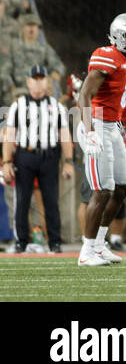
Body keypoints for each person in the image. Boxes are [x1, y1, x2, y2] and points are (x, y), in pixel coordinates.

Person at [76, 13, 126, 267]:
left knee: (121, 188)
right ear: (117, 36)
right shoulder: (106, 56)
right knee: (102, 189)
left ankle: (99, 245)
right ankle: (86, 252)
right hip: (95, 124)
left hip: (112, 126)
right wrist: (90, 130)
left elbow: (122, 98)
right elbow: (84, 95)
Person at [1, 66, 73, 253]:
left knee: (51, 201)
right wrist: (7, 161)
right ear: (28, 82)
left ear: (47, 82)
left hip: (49, 156)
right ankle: (21, 242)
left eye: (42, 79)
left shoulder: (57, 106)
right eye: (35, 78)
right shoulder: (19, 105)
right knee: (22, 200)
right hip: (25, 156)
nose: (39, 82)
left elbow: (64, 134)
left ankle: (54, 242)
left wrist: (68, 161)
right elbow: (10, 135)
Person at [4, 14, 65, 104]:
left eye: (34, 26)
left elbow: (59, 66)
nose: (32, 28)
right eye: (29, 25)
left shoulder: (44, 48)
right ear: (22, 28)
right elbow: (4, 71)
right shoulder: (13, 47)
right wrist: (12, 89)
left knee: (55, 93)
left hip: (41, 89)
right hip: (19, 90)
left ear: (38, 30)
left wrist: (50, 80)